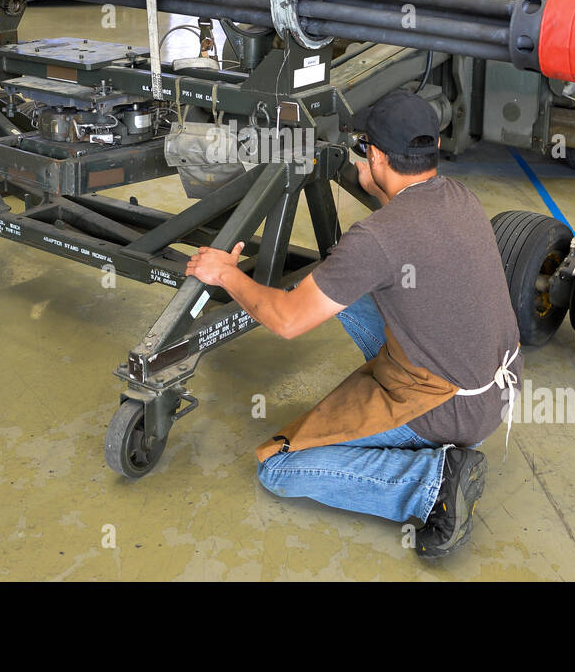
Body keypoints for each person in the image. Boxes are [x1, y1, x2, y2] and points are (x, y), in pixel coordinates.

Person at [186, 90, 521, 559]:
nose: (357, 157)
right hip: (498, 385)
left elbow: (286, 321)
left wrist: (226, 274)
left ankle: (433, 482)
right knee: (342, 290)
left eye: (361, 147)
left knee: (279, 468)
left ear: (378, 157)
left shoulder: (379, 238)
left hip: (453, 410)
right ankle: (422, 443)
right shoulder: (459, 197)